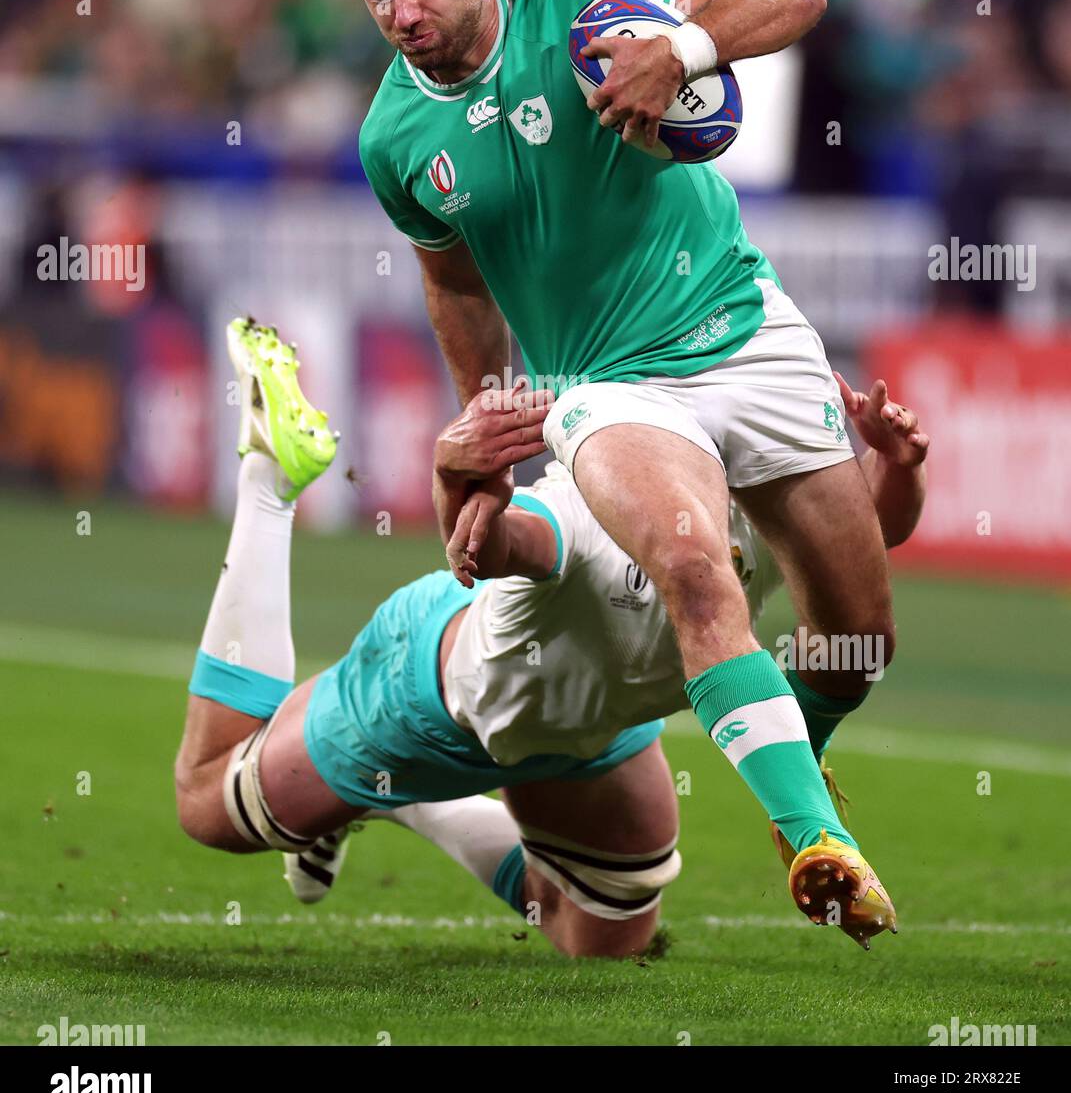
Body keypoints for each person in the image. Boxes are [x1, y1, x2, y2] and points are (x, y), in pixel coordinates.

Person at [337, 0, 916, 853]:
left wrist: (682, 49)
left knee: (856, 639)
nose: (401, 15)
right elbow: (457, 281)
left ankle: (799, 758)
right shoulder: (393, 136)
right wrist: (488, 432)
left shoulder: (577, 0)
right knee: (696, 566)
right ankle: (818, 841)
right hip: (605, 386)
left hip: (744, 331)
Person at [175, 319, 928, 955]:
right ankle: (270, 482)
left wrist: (896, 467)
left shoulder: (759, 506)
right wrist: (457, 482)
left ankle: (403, 805)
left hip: (594, 736)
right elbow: (495, 546)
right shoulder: (585, 511)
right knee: (209, 801)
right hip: (429, 704)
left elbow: (864, 541)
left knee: (604, 939)